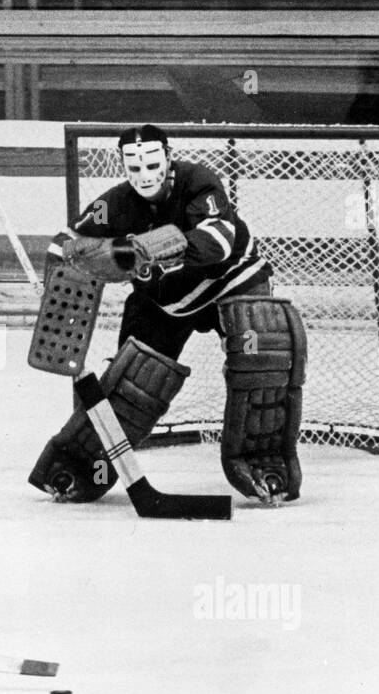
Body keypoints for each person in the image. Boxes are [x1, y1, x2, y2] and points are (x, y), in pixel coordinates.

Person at [29, 123, 304, 505]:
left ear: (169, 158)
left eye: (152, 164)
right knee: (133, 382)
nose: (144, 175)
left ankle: (264, 462)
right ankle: (79, 463)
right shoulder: (116, 203)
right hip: (165, 300)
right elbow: (65, 244)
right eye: (134, 167)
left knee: (263, 353)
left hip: (231, 282)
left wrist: (144, 248)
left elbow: (220, 240)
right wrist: (61, 278)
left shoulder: (198, 181)